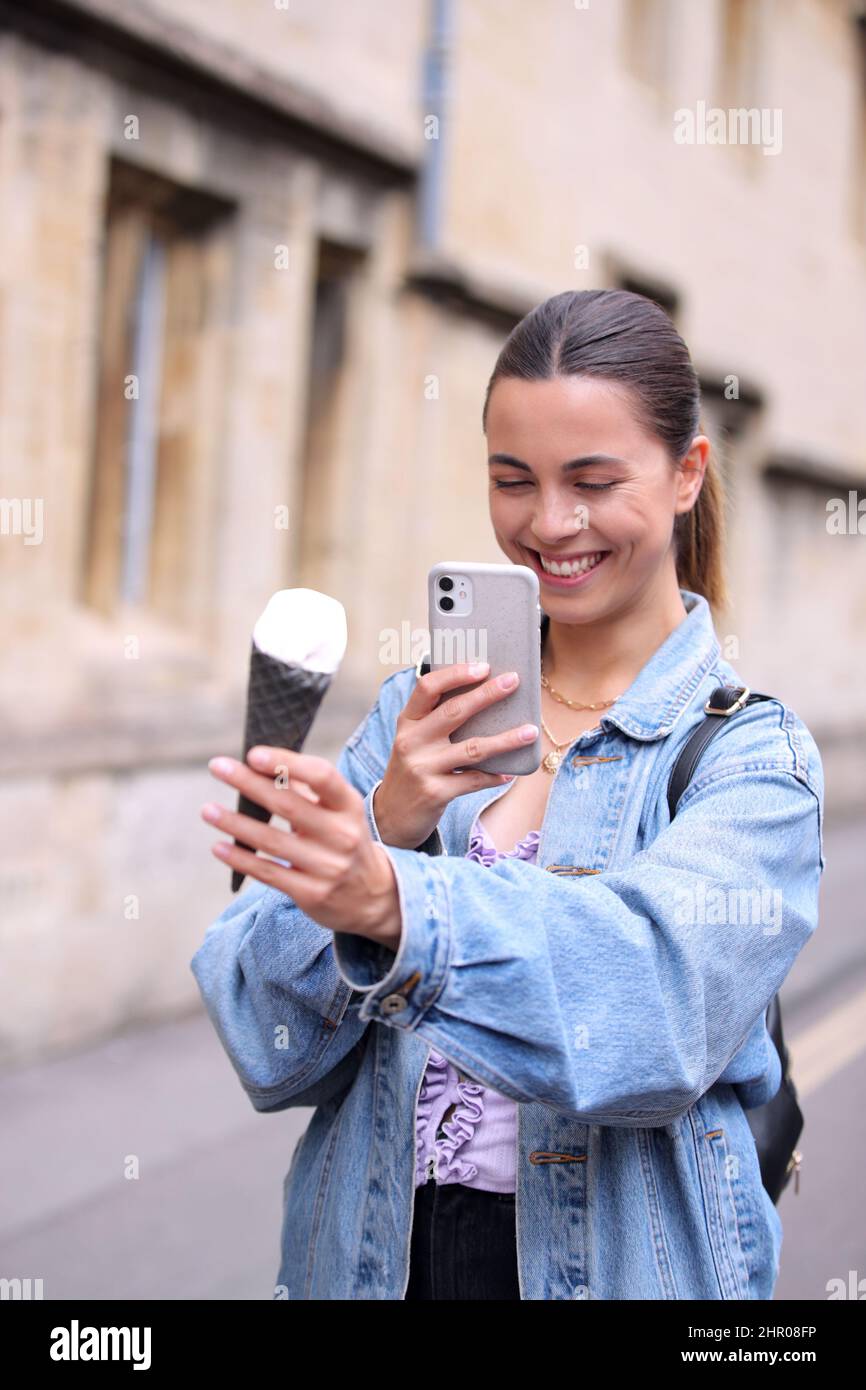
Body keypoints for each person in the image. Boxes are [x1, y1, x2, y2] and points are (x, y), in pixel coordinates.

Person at [191, 288, 825, 1300]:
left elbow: (649, 1018)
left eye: (591, 479)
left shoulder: (748, 756)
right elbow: (262, 1043)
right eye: (511, 479)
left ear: (685, 474)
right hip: (366, 1262)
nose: (548, 523)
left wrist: (395, 905)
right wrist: (382, 820)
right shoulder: (414, 715)